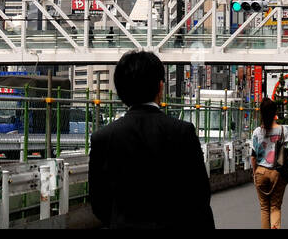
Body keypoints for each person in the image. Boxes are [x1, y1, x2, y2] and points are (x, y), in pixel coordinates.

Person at [88, 51, 215, 229]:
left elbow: (98, 202)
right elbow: (199, 197)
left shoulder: (103, 138)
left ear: (120, 90)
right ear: (160, 87)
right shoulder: (182, 132)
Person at [250, 98, 288, 228]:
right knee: (275, 206)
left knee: (264, 208)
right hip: (277, 172)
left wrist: (254, 172)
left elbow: (253, 156)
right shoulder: (283, 130)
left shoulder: (257, 132)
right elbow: (287, 154)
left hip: (260, 171)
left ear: (261, 112)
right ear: (275, 112)